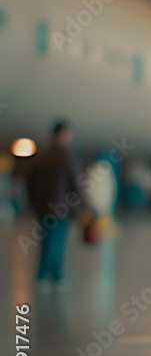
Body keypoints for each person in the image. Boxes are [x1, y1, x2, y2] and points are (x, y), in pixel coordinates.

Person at [26, 120, 83, 292]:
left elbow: (30, 183)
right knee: (57, 244)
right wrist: (85, 208)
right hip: (61, 212)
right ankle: (56, 276)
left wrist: (35, 204)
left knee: (46, 243)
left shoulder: (41, 157)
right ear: (62, 135)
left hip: (43, 210)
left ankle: (42, 276)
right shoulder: (67, 158)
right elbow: (77, 186)